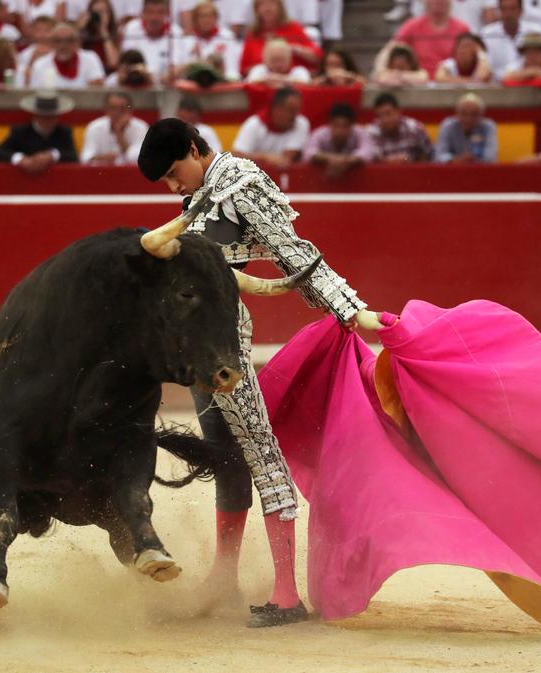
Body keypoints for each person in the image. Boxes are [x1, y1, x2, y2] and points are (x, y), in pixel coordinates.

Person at [135, 116, 384, 628]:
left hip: (226, 346)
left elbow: (297, 256)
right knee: (227, 456)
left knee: (261, 454)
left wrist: (349, 310)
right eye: (165, 182)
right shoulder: (199, 196)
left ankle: (287, 595)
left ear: (193, 148)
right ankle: (226, 579)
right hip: (200, 346)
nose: (173, 185)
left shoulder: (244, 184)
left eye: (173, 172)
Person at [0, 90, 78, 172]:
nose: (48, 120)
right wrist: (21, 159)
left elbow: (74, 156)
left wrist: (53, 155)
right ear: (36, 115)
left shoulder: (64, 132)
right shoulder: (21, 132)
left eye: (52, 116)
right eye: (44, 116)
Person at [231, 86, 310, 170]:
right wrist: (264, 157)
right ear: (276, 108)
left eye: (297, 110)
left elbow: (286, 159)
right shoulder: (254, 124)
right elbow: (237, 155)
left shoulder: (301, 123)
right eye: (291, 110)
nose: (295, 115)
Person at [239, 0, 322, 76]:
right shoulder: (254, 34)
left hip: (292, 80)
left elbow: (317, 57)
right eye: (262, 4)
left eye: (271, 3)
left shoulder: (292, 28)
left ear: (280, 7)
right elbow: (244, 69)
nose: (267, 8)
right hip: (264, 81)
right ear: (256, 9)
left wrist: (292, 49)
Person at [392, 0, 470, 77]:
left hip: (452, 83)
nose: (438, 1)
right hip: (418, 82)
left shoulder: (462, 29)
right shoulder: (411, 27)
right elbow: (391, 50)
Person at [302, 102, 376, 179]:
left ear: (352, 125)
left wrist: (347, 160)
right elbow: (308, 152)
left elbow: (368, 151)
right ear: (330, 124)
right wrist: (329, 158)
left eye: (345, 126)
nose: (340, 131)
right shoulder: (320, 133)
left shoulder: (360, 133)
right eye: (336, 125)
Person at [120, 0, 185, 82]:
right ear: (142, 13)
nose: (154, 17)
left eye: (160, 12)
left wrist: (152, 78)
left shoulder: (175, 31)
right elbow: (127, 65)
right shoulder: (132, 28)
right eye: (150, 12)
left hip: (165, 85)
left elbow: (175, 68)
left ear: (167, 14)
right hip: (137, 82)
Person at [176, 1, 242, 82]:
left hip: (221, 85)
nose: (206, 20)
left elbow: (232, 70)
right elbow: (180, 72)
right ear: (195, 19)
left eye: (210, 16)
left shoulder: (227, 37)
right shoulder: (187, 41)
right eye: (202, 16)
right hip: (193, 86)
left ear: (216, 18)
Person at [81, 90, 149, 164]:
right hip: (103, 172)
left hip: (131, 174)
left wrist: (119, 134)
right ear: (106, 110)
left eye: (122, 109)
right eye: (113, 108)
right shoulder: (94, 127)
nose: (117, 113)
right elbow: (85, 158)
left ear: (130, 110)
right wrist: (101, 158)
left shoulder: (141, 127)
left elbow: (140, 159)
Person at [479, 0, 541, 79]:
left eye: (512, 9)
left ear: (521, 11)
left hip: (527, 84)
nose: (508, 14)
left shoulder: (535, 32)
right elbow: (484, 68)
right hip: (496, 86)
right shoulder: (487, 34)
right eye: (504, 9)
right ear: (499, 11)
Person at [29, 22, 105, 87]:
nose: (64, 45)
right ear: (52, 43)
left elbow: (97, 88)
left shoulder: (90, 59)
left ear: (77, 42)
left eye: (69, 40)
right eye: (58, 41)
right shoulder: (40, 65)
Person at [368, 92, 433, 163]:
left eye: (388, 113)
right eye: (380, 116)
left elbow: (429, 155)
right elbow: (372, 159)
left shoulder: (415, 128)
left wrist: (407, 158)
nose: (385, 120)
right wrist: (389, 161)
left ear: (398, 112)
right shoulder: (372, 133)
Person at [434, 92, 497, 163]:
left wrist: (473, 160)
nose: (468, 119)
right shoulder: (448, 126)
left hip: (480, 171)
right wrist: (456, 160)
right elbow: (439, 156)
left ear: (481, 115)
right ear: (457, 113)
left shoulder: (488, 127)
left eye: (474, 114)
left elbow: (490, 158)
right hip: (451, 171)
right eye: (464, 113)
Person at [74, 0, 119, 72]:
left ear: (110, 14)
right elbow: (72, 55)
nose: (99, 16)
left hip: (107, 75)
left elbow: (113, 63)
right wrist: (80, 28)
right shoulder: (84, 35)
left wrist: (104, 31)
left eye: (103, 12)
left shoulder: (116, 34)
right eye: (96, 12)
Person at [245, 37, 311, 83]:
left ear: (289, 59)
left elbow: (307, 83)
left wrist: (281, 79)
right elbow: (250, 83)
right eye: (274, 60)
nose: (278, 64)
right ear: (265, 60)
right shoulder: (259, 70)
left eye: (281, 60)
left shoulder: (299, 71)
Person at [16, 15, 55, 84]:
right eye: (39, 30)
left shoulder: (59, 52)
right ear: (33, 32)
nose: (42, 34)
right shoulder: (25, 54)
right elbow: (20, 75)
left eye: (47, 30)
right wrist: (32, 60)